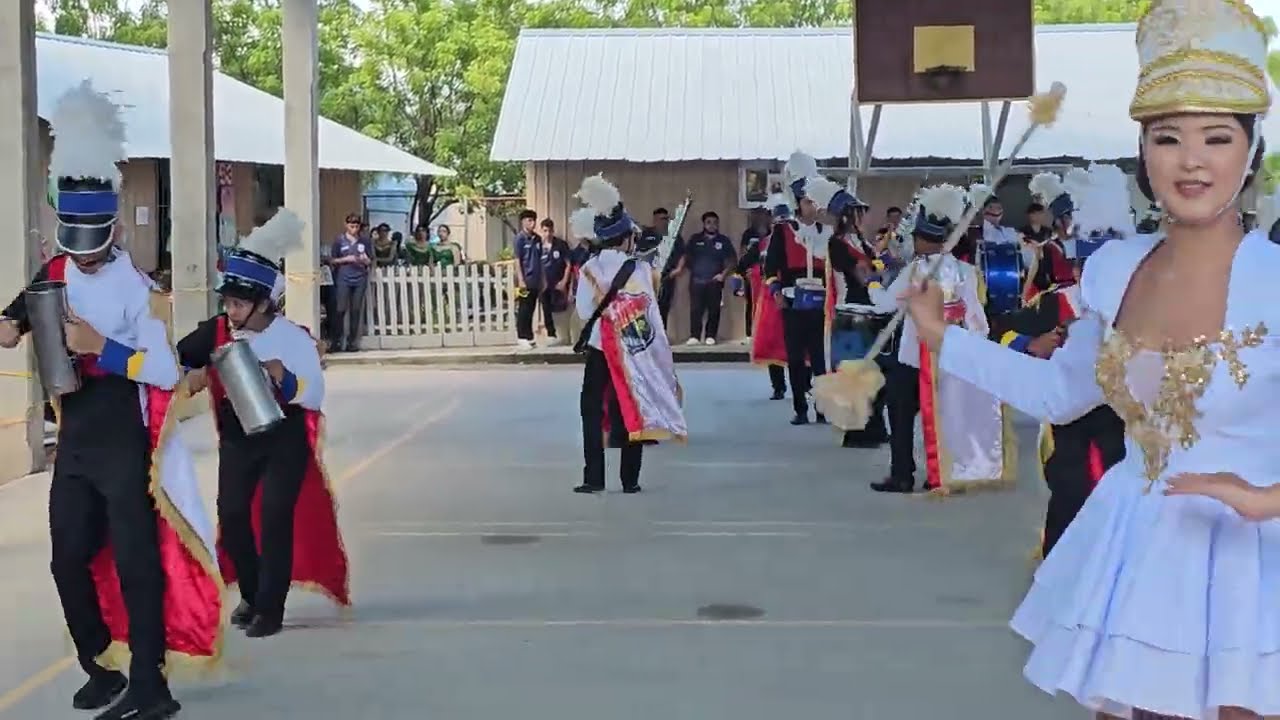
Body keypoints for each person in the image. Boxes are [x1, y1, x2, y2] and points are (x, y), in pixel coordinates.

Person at [903, 3, 1280, 716]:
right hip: (1134, 550)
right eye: (1168, 138)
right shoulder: (1114, 269)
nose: (1191, 160)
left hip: (1250, 566)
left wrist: (1265, 497)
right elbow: (1060, 395)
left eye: (1217, 137)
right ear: (1143, 154)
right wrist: (941, 338)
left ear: (1251, 151)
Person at [0, 79, 221, 720]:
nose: (84, 259)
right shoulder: (58, 270)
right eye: (76, 244)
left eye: (94, 245)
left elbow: (166, 371)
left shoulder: (137, 289)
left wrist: (101, 346)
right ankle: (99, 663)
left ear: (115, 230)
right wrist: (11, 325)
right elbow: (19, 316)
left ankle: (151, 683)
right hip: (74, 439)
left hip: (124, 441)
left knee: (134, 560)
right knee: (67, 556)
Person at [177, 209, 351, 640]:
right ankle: (253, 595)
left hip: (283, 438)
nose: (230, 310)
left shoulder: (291, 338)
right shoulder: (218, 330)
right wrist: (191, 373)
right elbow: (176, 356)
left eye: (238, 303)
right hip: (238, 440)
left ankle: (271, 607)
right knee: (233, 516)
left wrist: (282, 376)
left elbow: (313, 393)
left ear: (263, 303)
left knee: (275, 517)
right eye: (228, 302)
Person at [868, 183, 1014, 494]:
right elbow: (978, 319)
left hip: (914, 353)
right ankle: (948, 469)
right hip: (953, 353)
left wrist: (872, 284)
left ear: (922, 240)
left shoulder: (915, 271)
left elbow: (884, 305)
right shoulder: (966, 271)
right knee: (949, 414)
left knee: (901, 410)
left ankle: (902, 473)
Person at [568, 175, 686, 494]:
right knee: (631, 406)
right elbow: (651, 313)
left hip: (599, 348)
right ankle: (630, 480)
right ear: (625, 238)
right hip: (634, 349)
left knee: (591, 411)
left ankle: (594, 478)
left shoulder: (590, 269)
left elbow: (582, 312)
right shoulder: (643, 271)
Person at [763, 151, 834, 425]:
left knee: (819, 358)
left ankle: (821, 406)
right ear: (798, 203)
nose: (812, 206)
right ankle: (800, 408)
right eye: (807, 202)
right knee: (795, 358)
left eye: (815, 202)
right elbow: (771, 268)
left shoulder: (826, 234)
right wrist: (777, 292)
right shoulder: (784, 231)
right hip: (793, 302)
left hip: (819, 303)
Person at [735, 204, 788, 399]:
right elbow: (741, 266)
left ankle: (805, 386)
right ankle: (779, 387)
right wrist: (742, 278)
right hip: (771, 298)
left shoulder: (801, 242)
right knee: (774, 342)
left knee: (799, 344)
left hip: (796, 298)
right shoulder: (762, 244)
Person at [684, 211, 737, 345]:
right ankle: (694, 336)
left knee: (714, 309)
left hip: (715, 281)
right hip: (697, 281)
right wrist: (695, 272)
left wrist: (723, 275)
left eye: (715, 222)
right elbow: (686, 258)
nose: (712, 225)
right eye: (709, 222)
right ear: (704, 224)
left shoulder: (723, 241)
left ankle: (710, 335)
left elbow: (732, 261)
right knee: (695, 309)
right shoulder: (695, 239)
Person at [329, 213, 371, 352]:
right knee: (340, 309)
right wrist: (347, 259)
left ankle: (353, 342)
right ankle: (337, 341)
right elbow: (332, 260)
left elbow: (370, 260)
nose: (354, 229)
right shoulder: (339, 240)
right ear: (346, 225)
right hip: (343, 278)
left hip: (360, 278)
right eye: (351, 226)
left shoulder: (364, 241)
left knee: (356, 310)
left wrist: (364, 260)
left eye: (356, 226)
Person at [538, 218, 573, 345]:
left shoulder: (561, 244)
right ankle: (551, 334)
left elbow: (568, 264)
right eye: (545, 231)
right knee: (546, 308)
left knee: (560, 307)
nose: (548, 234)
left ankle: (563, 335)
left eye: (550, 231)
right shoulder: (538, 245)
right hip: (543, 283)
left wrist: (564, 281)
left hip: (558, 282)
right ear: (541, 231)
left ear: (553, 231)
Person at [513, 209, 543, 348]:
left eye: (533, 220)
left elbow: (540, 259)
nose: (532, 223)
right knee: (523, 308)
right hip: (525, 279)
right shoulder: (519, 239)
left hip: (536, 279)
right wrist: (521, 279)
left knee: (531, 308)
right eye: (529, 220)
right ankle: (521, 336)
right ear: (523, 222)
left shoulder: (537, 239)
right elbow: (518, 260)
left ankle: (529, 335)